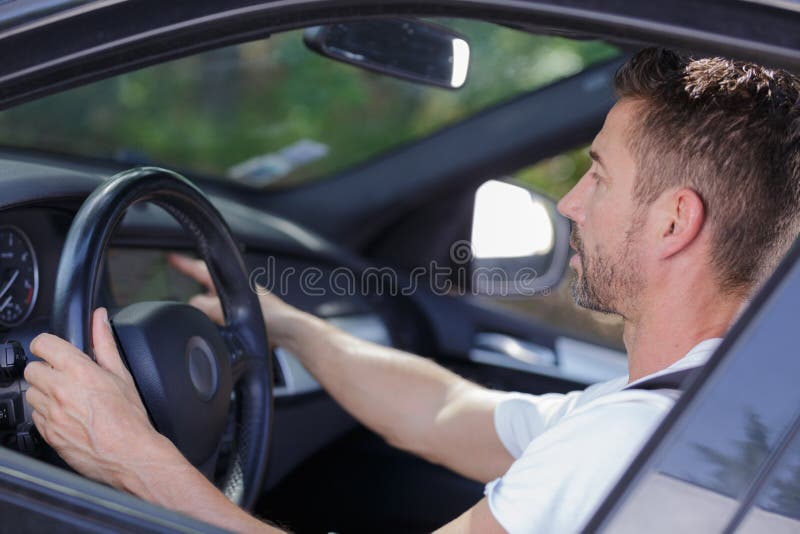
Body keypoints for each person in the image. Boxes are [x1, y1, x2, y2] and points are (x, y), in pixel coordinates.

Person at [21, 48, 800, 533]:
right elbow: (446, 414)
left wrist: (130, 457)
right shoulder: (688, 409)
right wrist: (291, 331)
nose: (569, 205)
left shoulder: (627, 447)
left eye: (598, 176)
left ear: (673, 224)